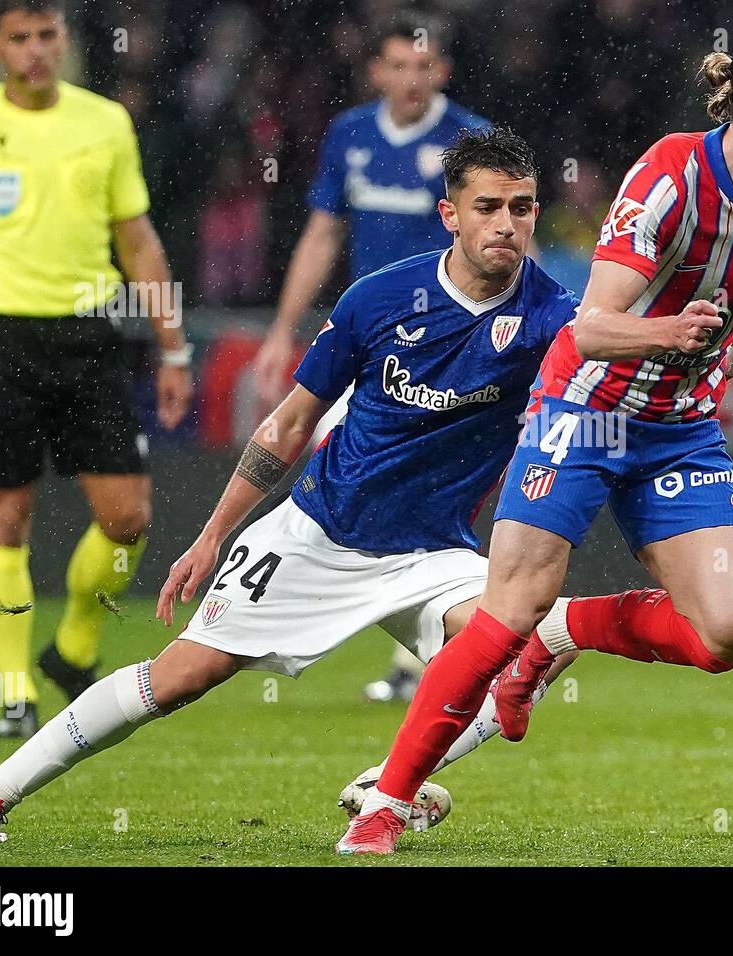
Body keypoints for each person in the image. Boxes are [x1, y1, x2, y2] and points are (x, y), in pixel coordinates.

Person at [0, 127, 578, 843]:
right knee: (182, 675)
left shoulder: (552, 316)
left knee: (532, 647)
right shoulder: (378, 300)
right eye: (487, 206)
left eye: (521, 208)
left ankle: (391, 785)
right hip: (319, 533)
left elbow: (603, 369)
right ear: (450, 215)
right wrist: (215, 533)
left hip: (431, 554)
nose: (506, 224)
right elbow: (290, 424)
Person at [339, 29, 733, 855]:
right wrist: (674, 331)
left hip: (677, 431)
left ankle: (567, 631)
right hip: (585, 409)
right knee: (503, 614)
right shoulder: (670, 178)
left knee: (730, 635)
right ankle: (387, 804)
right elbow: (593, 327)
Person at [0, 0, 191, 738]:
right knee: (5, 512)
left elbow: (138, 242)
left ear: (64, 40)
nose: (36, 51)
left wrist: (172, 348)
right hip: (0, 340)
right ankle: (15, 691)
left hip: (90, 337)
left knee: (127, 517)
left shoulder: (103, 122)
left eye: (47, 35)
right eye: (21, 38)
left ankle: (74, 645)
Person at [255, 12, 488, 704]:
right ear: (378, 71)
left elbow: (502, 240)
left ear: (441, 71)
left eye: (424, 67)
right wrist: (280, 329)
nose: (412, 79)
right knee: (351, 468)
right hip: (368, 338)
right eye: (399, 66)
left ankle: (417, 651)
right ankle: (428, 640)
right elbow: (323, 234)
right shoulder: (350, 134)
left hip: (450, 343)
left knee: (413, 484)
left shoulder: (467, 140)